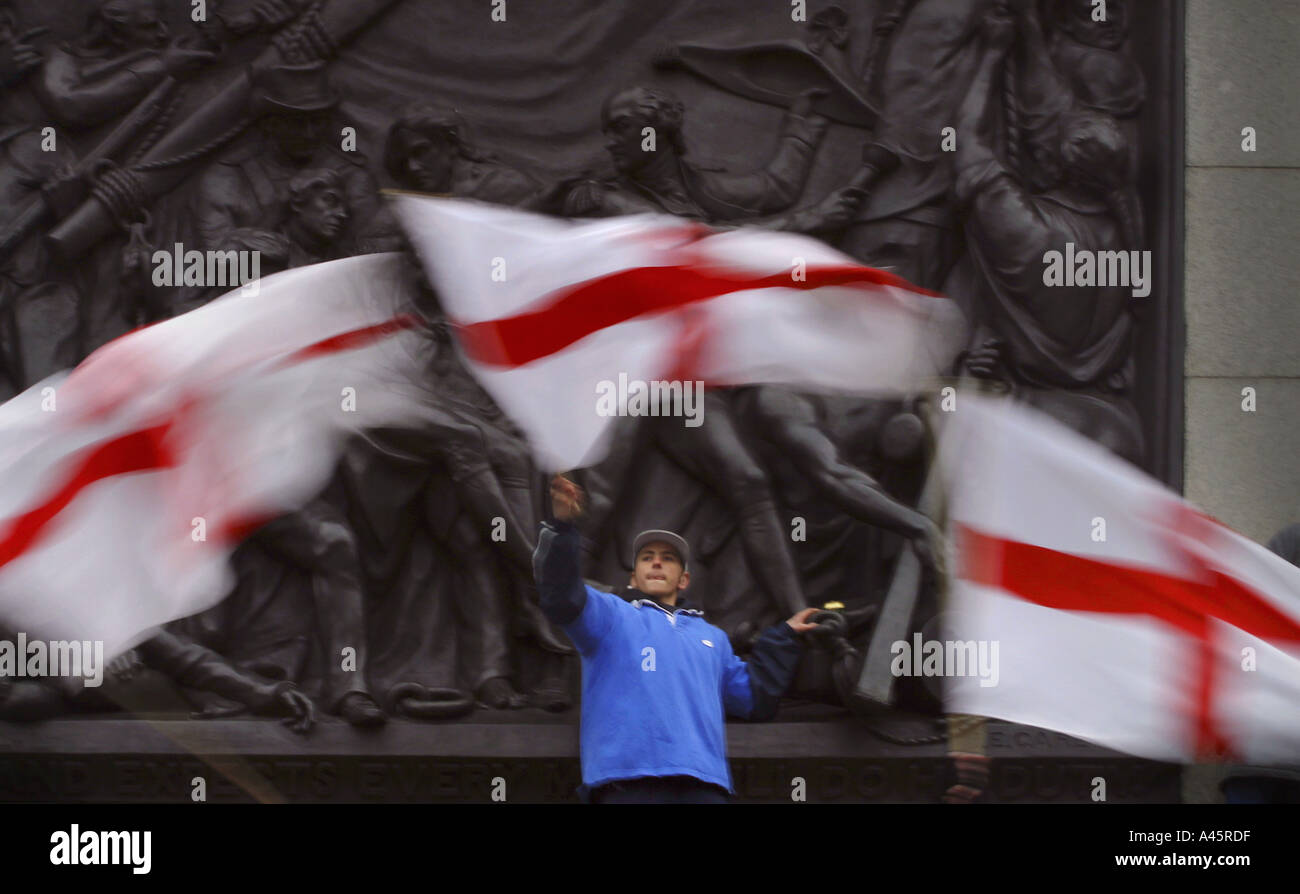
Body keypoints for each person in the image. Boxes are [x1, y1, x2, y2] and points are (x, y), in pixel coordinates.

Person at [535, 473, 820, 803]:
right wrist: (564, 529)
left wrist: (784, 637)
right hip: (626, 781)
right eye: (647, 557)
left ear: (683, 579)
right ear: (634, 575)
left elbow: (754, 699)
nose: (657, 561)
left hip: (703, 785)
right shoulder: (610, 614)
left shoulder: (713, 638)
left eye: (667, 558)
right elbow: (561, 597)